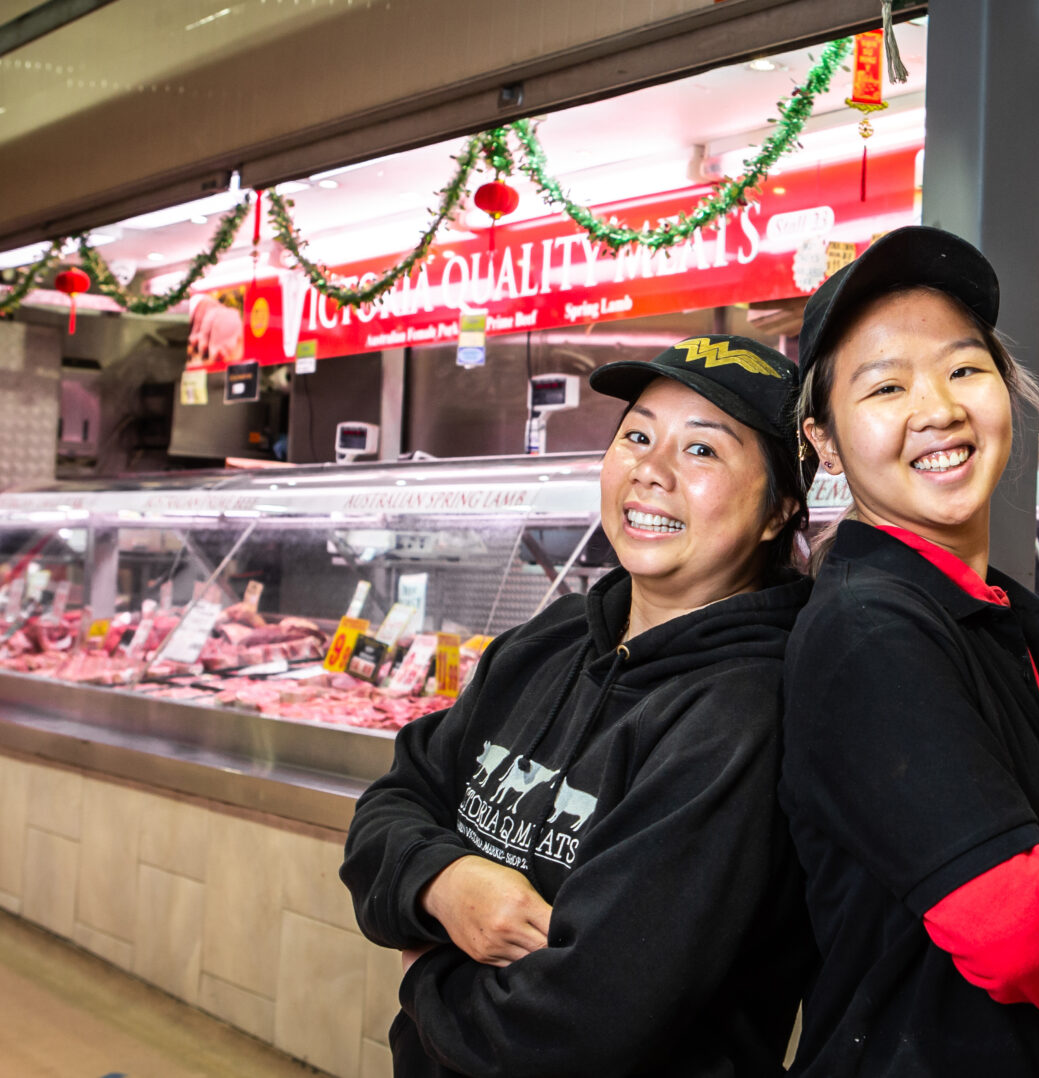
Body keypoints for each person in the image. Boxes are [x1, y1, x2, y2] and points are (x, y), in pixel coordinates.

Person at [781, 226, 1039, 1077]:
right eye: (886, 386)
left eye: (964, 368)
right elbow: (1021, 937)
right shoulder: (868, 633)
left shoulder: (1002, 613)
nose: (937, 408)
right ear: (824, 441)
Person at [341, 335, 818, 1078]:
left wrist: (419, 971)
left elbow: (578, 1025)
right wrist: (444, 883)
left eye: (703, 452)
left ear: (776, 511)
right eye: (636, 435)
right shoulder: (554, 636)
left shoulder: (746, 715)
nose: (650, 471)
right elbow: (392, 802)